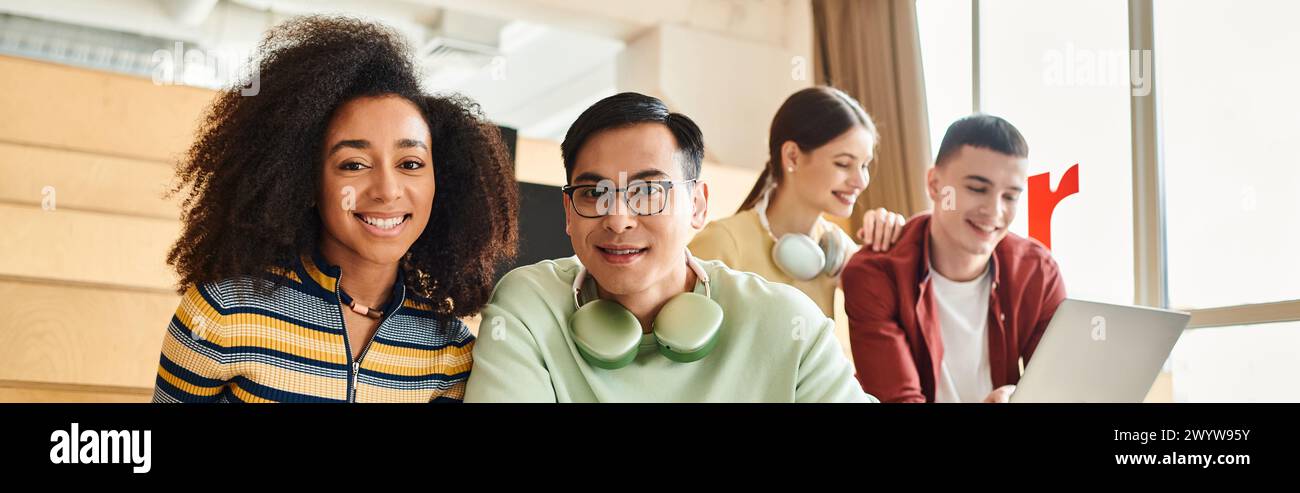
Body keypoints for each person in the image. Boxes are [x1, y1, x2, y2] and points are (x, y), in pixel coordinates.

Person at [152, 16, 517, 403]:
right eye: (354, 164)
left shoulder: (448, 353)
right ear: (305, 181)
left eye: (410, 163)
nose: (387, 190)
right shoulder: (222, 315)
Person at [464, 92, 873, 402]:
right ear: (569, 213)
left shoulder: (789, 324)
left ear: (697, 205)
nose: (618, 217)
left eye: (646, 191)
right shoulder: (529, 307)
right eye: (593, 192)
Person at [841, 114, 1067, 403]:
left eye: (1010, 196)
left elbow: (1058, 388)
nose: (994, 211)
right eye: (977, 189)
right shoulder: (874, 274)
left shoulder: (1039, 272)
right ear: (934, 185)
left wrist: (1020, 396)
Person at [689, 86, 906, 318]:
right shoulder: (721, 244)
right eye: (843, 164)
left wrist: (893, 245)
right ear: (792, 156)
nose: (861, 181)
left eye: (864, 166)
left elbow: (901, 312)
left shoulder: (837, 249)